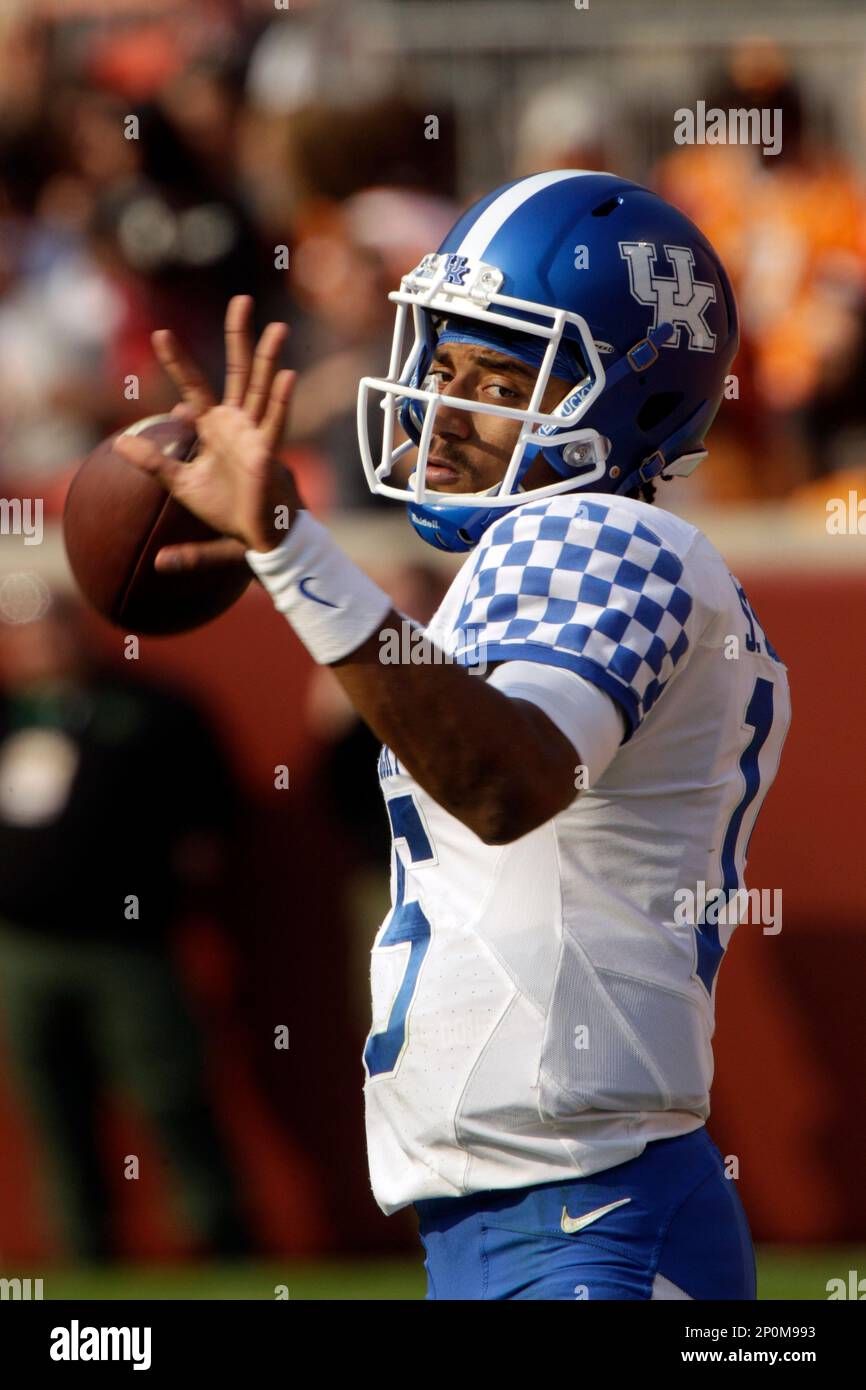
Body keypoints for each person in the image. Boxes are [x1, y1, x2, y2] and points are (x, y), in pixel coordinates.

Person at [116, 169, 792, 1300]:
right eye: (441, 360)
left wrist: (289, 547)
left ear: (620, 403)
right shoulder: (520, 562)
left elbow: (503, 778)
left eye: (496, 374)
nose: (442, 403)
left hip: (589, 1217)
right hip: (522, 1218)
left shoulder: (609, 536)